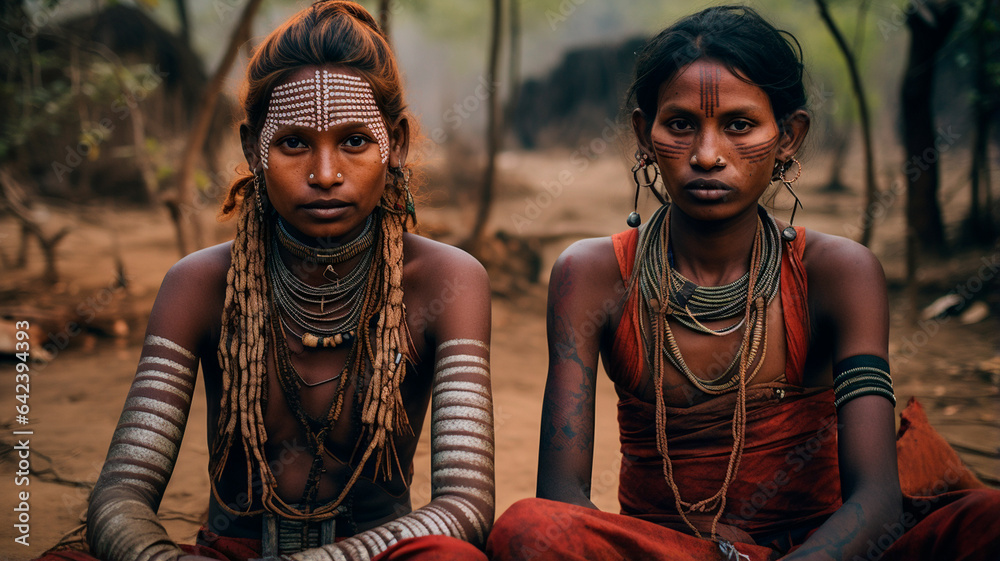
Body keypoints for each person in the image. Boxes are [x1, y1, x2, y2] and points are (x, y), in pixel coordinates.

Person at [486, 5, 999, 561]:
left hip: (825, 549)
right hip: (670, 551)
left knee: (987, 520)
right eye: (680, 124)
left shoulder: (838, 274)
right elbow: (561, 498)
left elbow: (875, 501)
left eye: (739, 125)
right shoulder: (591, 276)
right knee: (529, 530)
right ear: (644, 133)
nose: (707, 155)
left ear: (789, 136)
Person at [40, 2, 494, 560]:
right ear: (254, 147)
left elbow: (464, 507)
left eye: (355, 141)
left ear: (394, 144)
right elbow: (121, 495)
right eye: (294, 143)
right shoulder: (199, 285)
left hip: (377, 555)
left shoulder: (448, 282)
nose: (325, 174)